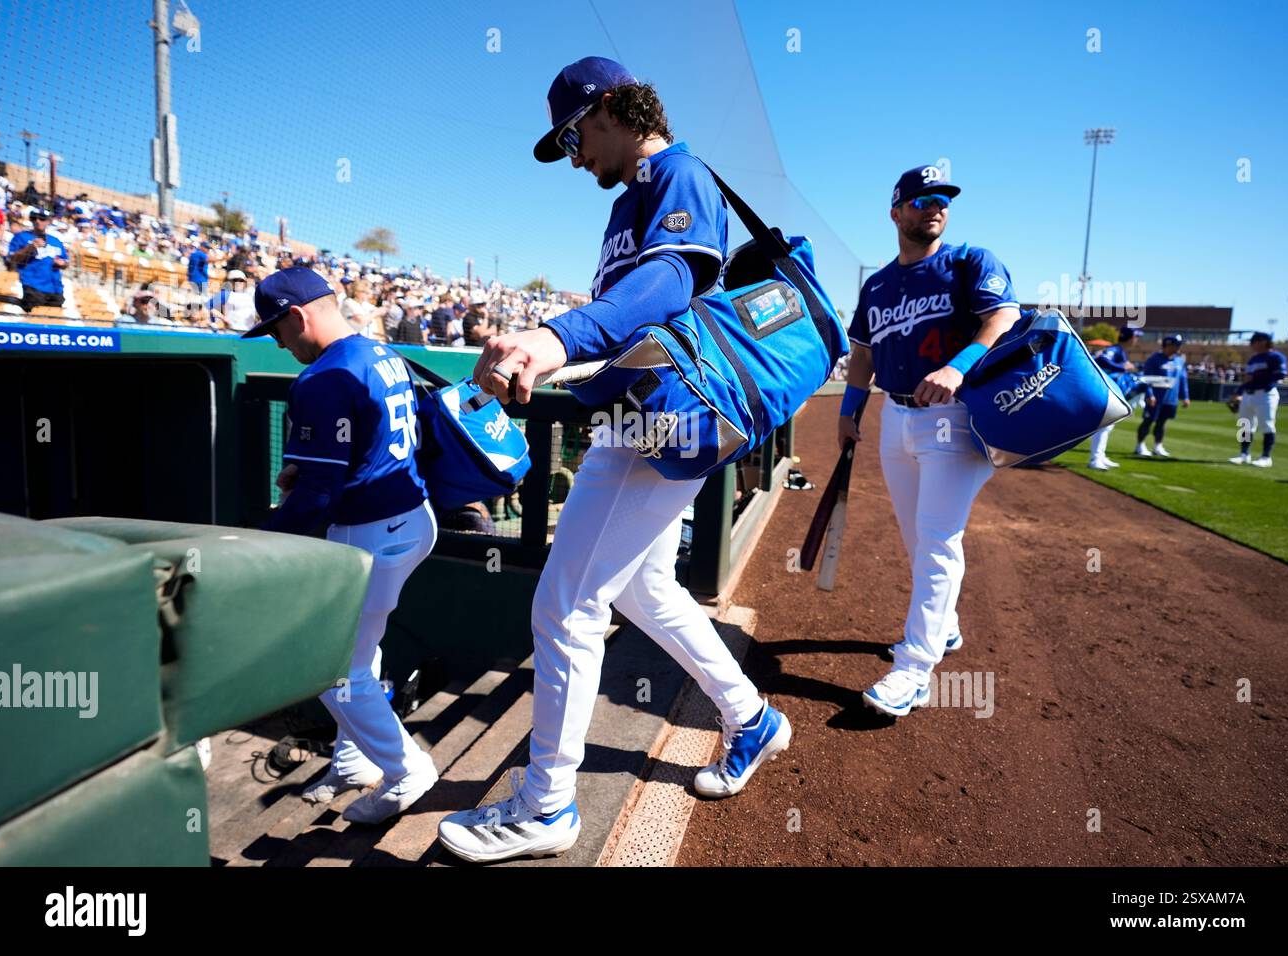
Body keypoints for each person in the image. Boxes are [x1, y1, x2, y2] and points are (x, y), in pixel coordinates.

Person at [436, 56, 787, 864]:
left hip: (663, 421)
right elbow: (631, 322)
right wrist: (559, 362)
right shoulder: (629, 199)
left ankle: (548, 804)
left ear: (611, 110)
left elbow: (668, 284)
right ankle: (752, 718)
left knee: (565, 606)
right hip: (638, 415)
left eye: (573, 135)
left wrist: (553, 336)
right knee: (644, 589)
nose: (572, 155)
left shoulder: (680, 173)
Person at [242, 267, 439, 824]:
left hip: (368, 534)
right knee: (360, 648)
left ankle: (405, 769)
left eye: (276, 331)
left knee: (328, 667)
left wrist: (264, 545)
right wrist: (308, 476)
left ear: (298, 315)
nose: (278, 344)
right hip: (413, 519)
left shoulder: (323, 377)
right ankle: (354, 759)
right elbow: (363, 442)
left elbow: (318, 498)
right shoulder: (382, 351)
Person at [839, 165, 1021, 713]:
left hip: (955, 415)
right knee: (917, 538)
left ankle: (914, 670)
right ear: (897, 212)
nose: (935, 206)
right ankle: (944, 627)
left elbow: (1004, 319)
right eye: (921, 200)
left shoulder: (969, 260)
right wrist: (850, 410)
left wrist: (959, 366)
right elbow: (864, 356)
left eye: (943, 198)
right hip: (896, 417)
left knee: (939, 539)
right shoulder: (877, 285)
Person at [1229, 331, 1287, 467]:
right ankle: (1244, 454)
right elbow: (1247, 378)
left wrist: (1258, 378)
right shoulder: (1253, 358)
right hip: (1249, 394)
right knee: (1245, 424)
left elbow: (1280, 374)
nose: (1251, 344)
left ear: (1262, 342)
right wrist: (1239, 392)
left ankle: (1266, 457)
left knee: (1266, 425)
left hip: (1265, 394)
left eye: (1254, 342)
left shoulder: (1275, 357)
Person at [1087, 326, 1142, 470]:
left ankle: (1100, 456)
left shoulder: (1121, 351)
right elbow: (1102, 359)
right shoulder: (1116, 349)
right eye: (1136, 336)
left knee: (1108, 426)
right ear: (1130, 337)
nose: (1136, 340)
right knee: (1104, 426)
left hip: (1108, 390)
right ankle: (1095, 459)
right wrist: (1123, 368)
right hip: (1104, 391)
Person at [1134, 334, 1190, 457]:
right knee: (1148, 421)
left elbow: (1183, 380)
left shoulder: (1179, 361)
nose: (1179, 347)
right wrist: (1150, 395)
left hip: (1171, 399)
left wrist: (1185, 397)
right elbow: (1147, 379)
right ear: (1168, 345)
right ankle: (1140, 445)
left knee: (1162, 423)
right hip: (1155, 398)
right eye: (1177, 344)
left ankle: (1158, 446)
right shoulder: (1154, 359)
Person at [5, 208, 69, 312]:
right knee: (32, 322)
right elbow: (12, 259)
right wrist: (30, 248)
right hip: (32, 286)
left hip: (55, 289)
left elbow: (65, 262)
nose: (38, 221)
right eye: (34, 217)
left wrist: (63, 263)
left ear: (49, 221)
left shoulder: (56, 241)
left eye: (42, 218)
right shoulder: (21, 237)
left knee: (53, 323)